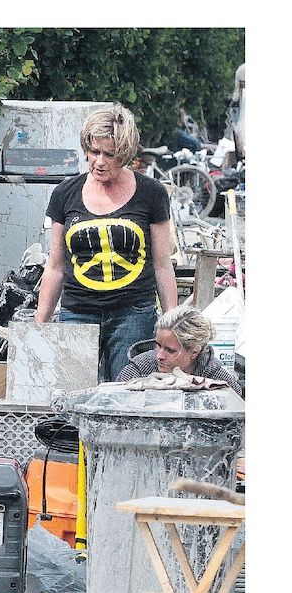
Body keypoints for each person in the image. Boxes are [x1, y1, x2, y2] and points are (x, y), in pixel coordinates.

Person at [35, 103, 177, 383]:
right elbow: (55, 265)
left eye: (109, 155)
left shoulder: (152, 194)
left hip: (133, 313)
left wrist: (172, 322)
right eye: (94, 152)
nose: (100, 161)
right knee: (72, 393)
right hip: (77, 311)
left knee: (127, 395)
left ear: (124, 155)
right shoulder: (65, 194)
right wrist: (41, 323)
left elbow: (162, 265)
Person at [117, 303, 243, 393]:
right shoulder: (138, 370)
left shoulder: (214, 375)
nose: (159, 356)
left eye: (170, 350)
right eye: (158, 345)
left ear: (194, 352)